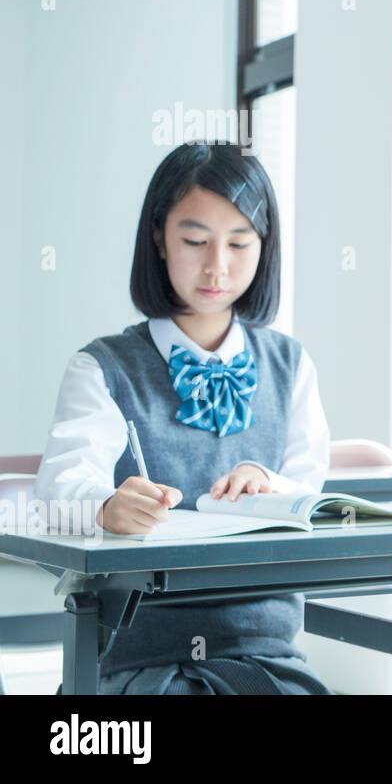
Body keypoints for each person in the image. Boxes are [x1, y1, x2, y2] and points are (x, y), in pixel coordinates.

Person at [35, 141, 332, 694]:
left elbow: (310, 488)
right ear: (158, 237)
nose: (217, 266)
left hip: (266, 658)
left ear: (265, 248)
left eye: (240, 243)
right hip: (135, 663)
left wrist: (271, 486)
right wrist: (105, 506)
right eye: (195, 240)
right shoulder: (103, 367)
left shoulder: (291, 365)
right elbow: (59, 485)